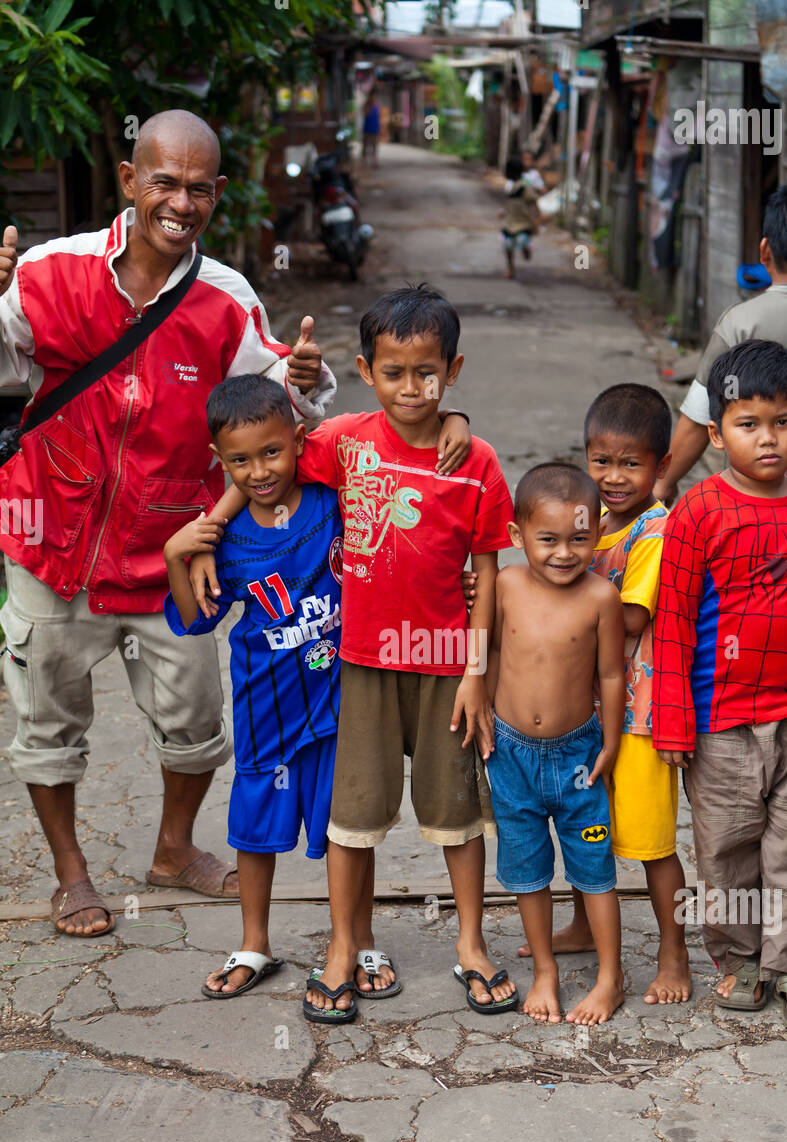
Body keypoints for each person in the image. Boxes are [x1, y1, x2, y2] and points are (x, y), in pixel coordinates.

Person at [0, 109, 334, 938]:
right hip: (51, 542)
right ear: (127, 181)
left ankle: (174, 850)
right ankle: (72, 876)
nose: (180, 203)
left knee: (196, 723)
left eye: (198, 189)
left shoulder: (227, 300)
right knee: (48, 727)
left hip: (173, 553)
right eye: (164, 182)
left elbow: (280, 418)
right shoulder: (51, 271)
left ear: (217, 194)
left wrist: (306, 381)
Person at [193, 284, 518, 1014]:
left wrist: (478, 672)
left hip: (442, 665)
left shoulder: (478, 461)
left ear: (453, 369)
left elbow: (490, 566)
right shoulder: (343, 442)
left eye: (428, 373)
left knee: (455, 813)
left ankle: (471, 943)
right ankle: (343, 945)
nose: (413, 388)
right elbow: (258, 465)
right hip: (361, 665)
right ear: (367, 371)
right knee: (354, 817)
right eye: (394, 372)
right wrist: (209, 529)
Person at [653, 339, 787, 1031]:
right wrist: (673, 720)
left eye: (783, 421)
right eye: (749, 424)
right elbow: (675, 621)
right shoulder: (697, 514)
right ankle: (741, 958)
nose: (767, 438)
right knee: (725, 852)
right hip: (719, 721)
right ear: (716, 435)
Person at [163, 375, 359, 1014]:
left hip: (336, 705)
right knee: (253, 829)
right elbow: (194, 620)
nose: (259, 470)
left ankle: (355, 942)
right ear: (220, 462)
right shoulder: (224, 541)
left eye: (272, 452)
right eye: (239, 460)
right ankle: (254, 945)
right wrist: (175, 554)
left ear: (299, 441)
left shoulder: (332, 502)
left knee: (346, 827)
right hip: (264, 710)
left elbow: (384, 442)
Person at [516, 385, 691, 1005]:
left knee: (649, 839)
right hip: (581, 710)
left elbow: (632, 620)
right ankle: (582, 926)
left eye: (631, 463)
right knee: (579, 821)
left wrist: (556, 577)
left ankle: (674, 952)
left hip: (640, 710)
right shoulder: (586, 524)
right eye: (601, 461)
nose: (613, 478)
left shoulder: (654, 531)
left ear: (662, 467)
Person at [486, 463, 625, 1025]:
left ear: (598, 532)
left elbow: (611, 675)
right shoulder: (506, 584)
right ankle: (545, 969)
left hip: (577, 756)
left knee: (594, 867)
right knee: (527, 870)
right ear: (518, 536)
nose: (565, 552)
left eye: (579, 538)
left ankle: (610, 978)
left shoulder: (600, 597)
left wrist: (611, 743)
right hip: (510, 754)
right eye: (548, 539)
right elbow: (490, 650)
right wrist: (479, 702)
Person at [659, 181, 787, 550]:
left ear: (765, 250)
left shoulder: (739, 323)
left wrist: (665, 482)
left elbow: (697, 418)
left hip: (746, 522)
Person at [501, 155, 540, 279]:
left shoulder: (525, 185)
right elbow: (509, 202)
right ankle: (511, 268)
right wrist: (503, 211)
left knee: (522, 241)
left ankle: (526, 248)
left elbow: (533, 201)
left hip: (523, 221)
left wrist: (537, 217)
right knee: (507, 245)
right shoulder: (510, 186)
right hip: (510, 221)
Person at [362, 94, 381, 165]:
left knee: (375, 147)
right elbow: (365, 114)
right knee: (366, 146)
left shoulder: (376, 107)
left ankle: (374, 161)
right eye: (373, 98)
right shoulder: (367, 106)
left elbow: (378, 118)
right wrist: (368, 107)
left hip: (375, 130)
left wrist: (379, 128)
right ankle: (365, 161)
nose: (374, 99)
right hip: (367, 130)